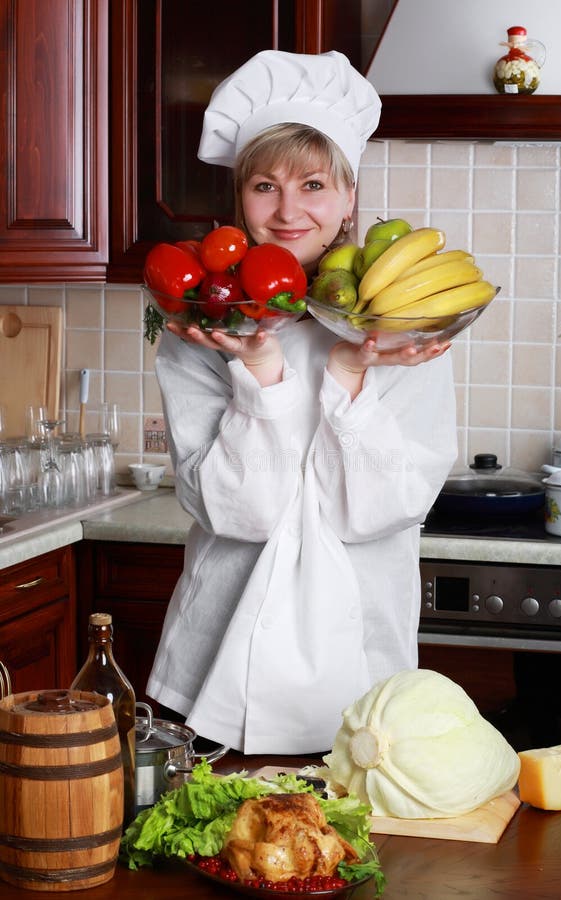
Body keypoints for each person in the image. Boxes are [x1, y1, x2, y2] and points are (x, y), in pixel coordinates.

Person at [146, 50, 457, 754]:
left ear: (348, 197)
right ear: (240, 198)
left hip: (363, 684)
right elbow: (242, 515)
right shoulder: (204, 324)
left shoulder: (404, 325)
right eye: (265, 186)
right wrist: (259, 370)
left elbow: (374, 513)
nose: (289, 211)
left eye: (314, 184)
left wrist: (349, 373)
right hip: (213, 669)